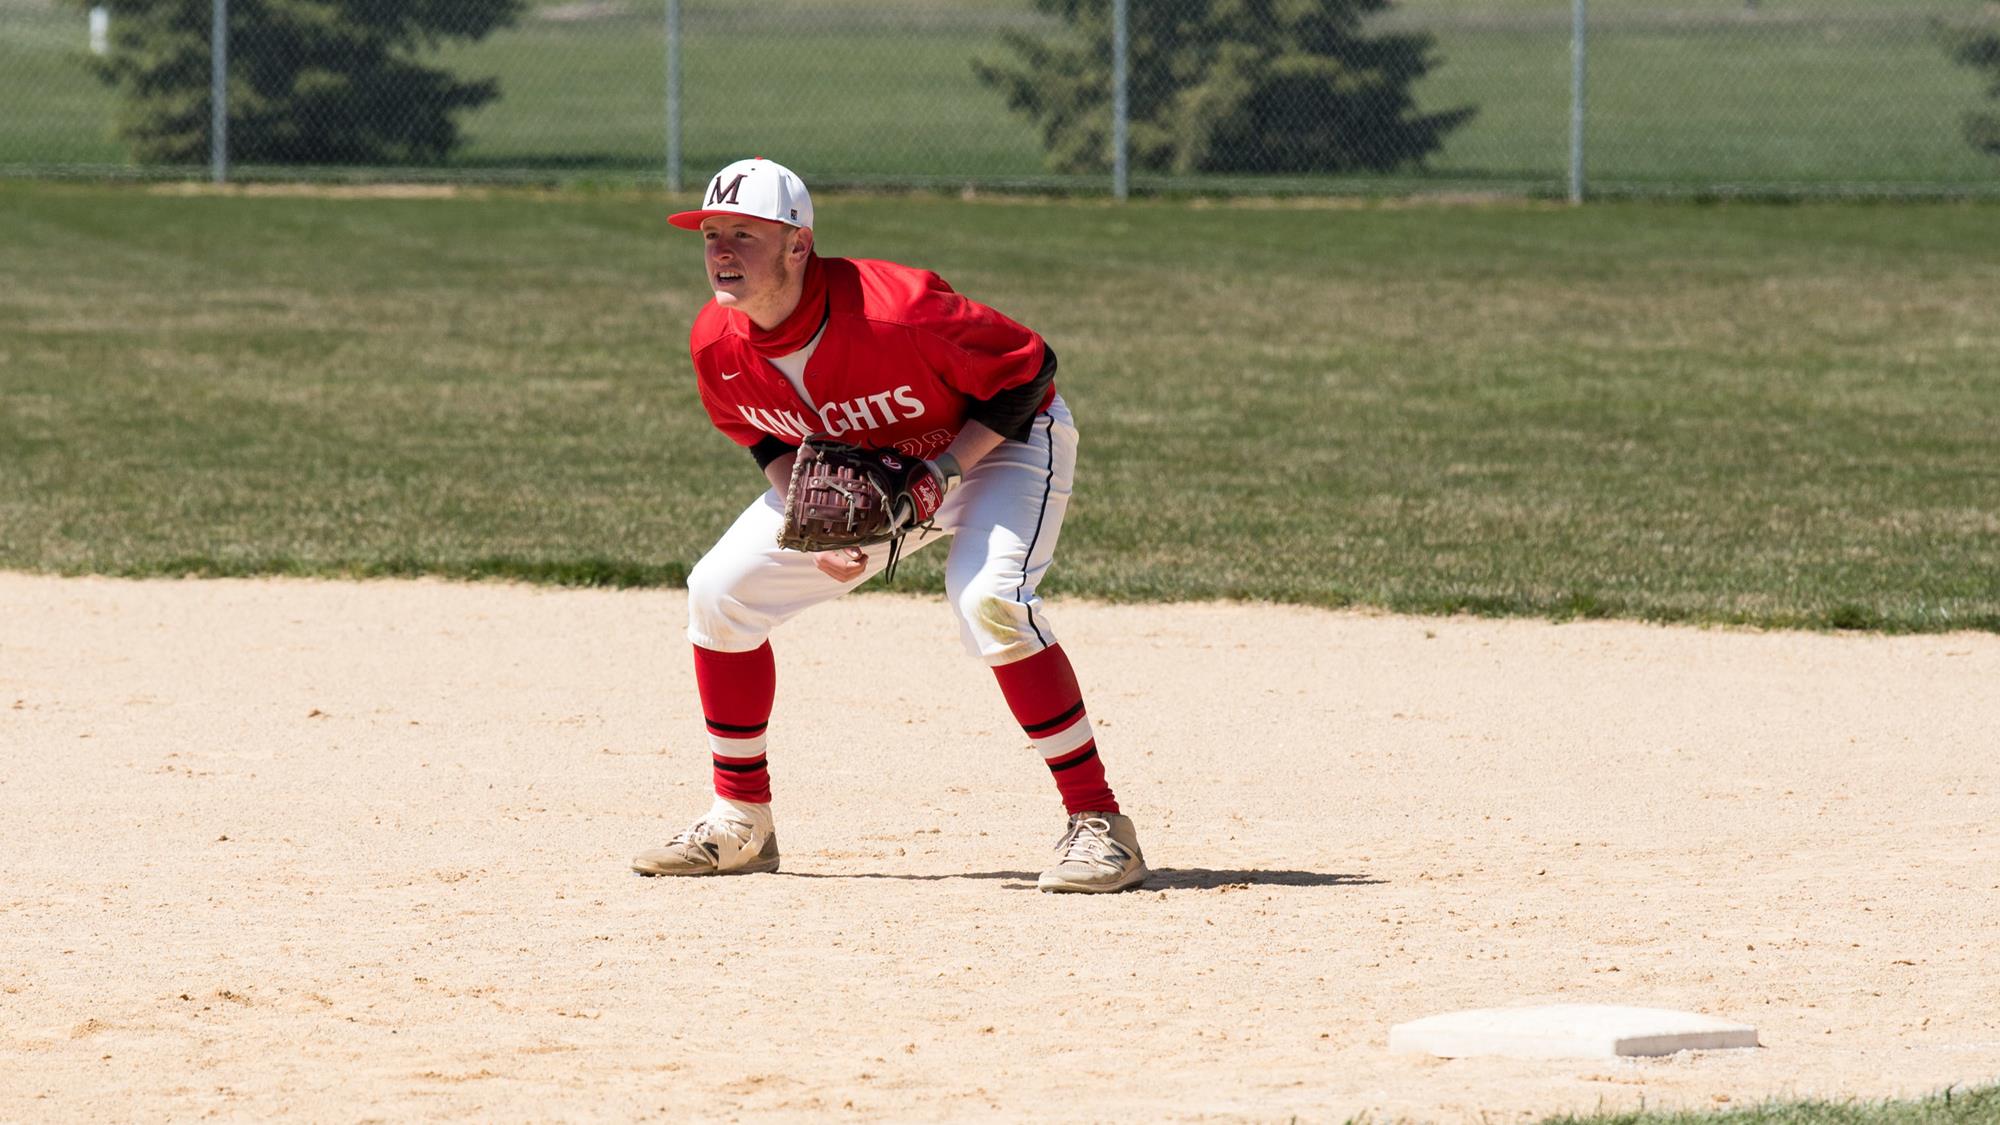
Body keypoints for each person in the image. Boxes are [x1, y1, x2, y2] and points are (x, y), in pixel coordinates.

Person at [630, 158, 1147, 894]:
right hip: (875, 478)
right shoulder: (718, 341)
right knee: (719, 591)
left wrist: (943, 472)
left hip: (1001, 444)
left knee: (989, 600)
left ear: (798, 245)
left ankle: (1100, 822)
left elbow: (1029, 370)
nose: (721, 250)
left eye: (745, 234)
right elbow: (764, 437)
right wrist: (816, 524)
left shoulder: (898, 308)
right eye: (711, 233)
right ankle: (740, 819)